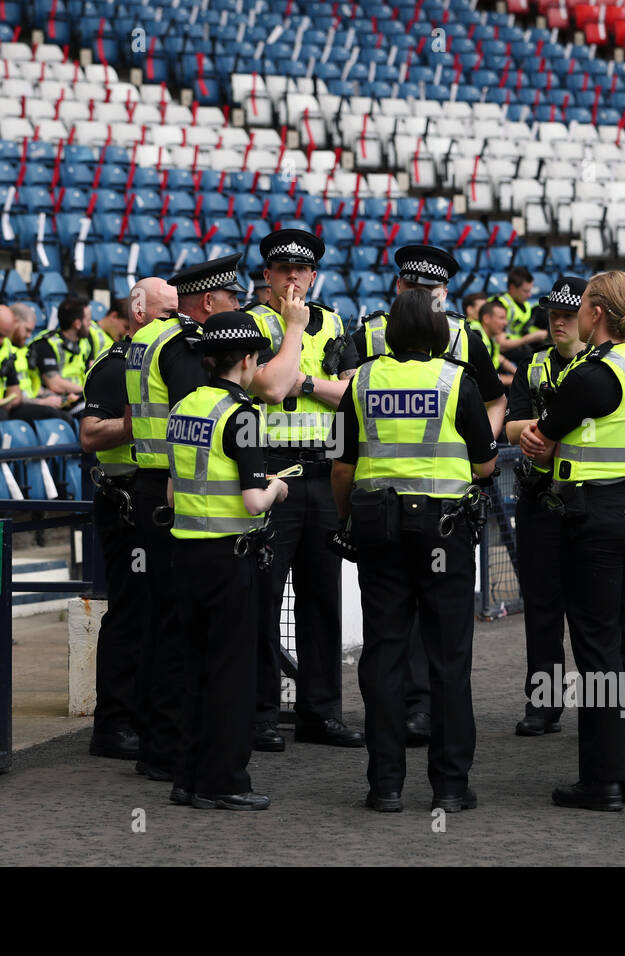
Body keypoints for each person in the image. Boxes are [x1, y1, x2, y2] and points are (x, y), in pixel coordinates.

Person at [332, 288, 498, 812]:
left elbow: (341, 466)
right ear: (440, 331)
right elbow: (486, 465)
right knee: (449, 658)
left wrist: (344, 520)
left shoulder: (359, 381)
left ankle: (385, 786)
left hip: (378, 532)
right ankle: (450, 787)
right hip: (443, 534)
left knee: (384, 655)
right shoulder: (457, 381)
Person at [520, 271, 625, 811]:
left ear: (597, 313)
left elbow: (540, 438)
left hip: (595, 518)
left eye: (582, 304)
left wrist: (545, 441)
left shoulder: (592, 374)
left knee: (597, 652)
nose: (575, 311)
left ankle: (602, 779)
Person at [352, 244, 507, 746]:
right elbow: (342, 394)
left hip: (427, 501)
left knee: (403, 629)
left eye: (433, 293)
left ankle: (396, 756)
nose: (424, 300)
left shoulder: (467, 337)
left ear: (446, 295)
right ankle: (438, 760)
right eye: (416, 290)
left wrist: (474, 447)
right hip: (408, 505)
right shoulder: (367, 334)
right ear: (399, 289)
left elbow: (494, 399)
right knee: (419, 630)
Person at [245, 229, 364, 752]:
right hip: (273, 476)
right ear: (267, 275)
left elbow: (354, 395)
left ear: (314, 275)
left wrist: (308, 384)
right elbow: (267, 386)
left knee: (323, 600)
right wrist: (290, 367)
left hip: (325, 474)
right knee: (263, 600)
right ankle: (261, 714)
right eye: (281, 269)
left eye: (302, 269)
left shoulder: (336, 322)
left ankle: (322, 713)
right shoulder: (251, 323)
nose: (293, 276)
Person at [166, 311, 289, 811]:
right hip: (229, 557)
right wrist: (280, 486)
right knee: (231, 674)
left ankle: (188, 777)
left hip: (186, 552)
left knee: (192, 669)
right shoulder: (242, 416)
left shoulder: (184, 407)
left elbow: (174, 493)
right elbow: (253, 502)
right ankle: (223, 782)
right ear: (248, 360)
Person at [126, 256, 238, 782]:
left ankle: (158, 743)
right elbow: (196, 422)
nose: (239, 308)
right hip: (176, 493)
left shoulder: (150, 337)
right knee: (180, 630)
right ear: (209, 304)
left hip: (147, 484)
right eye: (232, 299)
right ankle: (172, 748)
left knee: (160, 623)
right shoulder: (185, 344)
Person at [80, 276, 177, 761]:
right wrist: (132, 423)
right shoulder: (115, 365)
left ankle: (140, 717)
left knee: (155, 612)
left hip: (153, 502)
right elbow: (91, 435)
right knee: (131, 613)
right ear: (139, 312)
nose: (173, 324)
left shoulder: (165, 359)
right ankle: (113, 725)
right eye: (165, 314)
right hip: (123, 502)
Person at [503, 276, 587, 736]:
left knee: (591, 608)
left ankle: (601, 705)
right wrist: (546, 429)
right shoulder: (532, 367)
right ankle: (544, 703)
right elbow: (512, 427)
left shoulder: (601, 366)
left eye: (568, 314)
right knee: (541, 606)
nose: (558, 321)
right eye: (553, 313)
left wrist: (542, 432)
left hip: (587, 501)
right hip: (538, 499)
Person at [8, 302, 77, 425]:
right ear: (13, 322)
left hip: (29, 401)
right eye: (27, 330)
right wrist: (43, 402)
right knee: (57, 416)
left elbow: (34, 388)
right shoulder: (4, 351)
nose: (29, 336)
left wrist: (62, 399)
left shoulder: (24, 350)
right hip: (14, 406)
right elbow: (11, 396)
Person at [27, 297, 90, 404]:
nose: (91, 324)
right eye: (88, 320)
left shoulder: (85, 343)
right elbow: (54, 383)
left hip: (77, 396)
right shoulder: (46, 344)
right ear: (77, 324)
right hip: (54, 400)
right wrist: (87, 391)